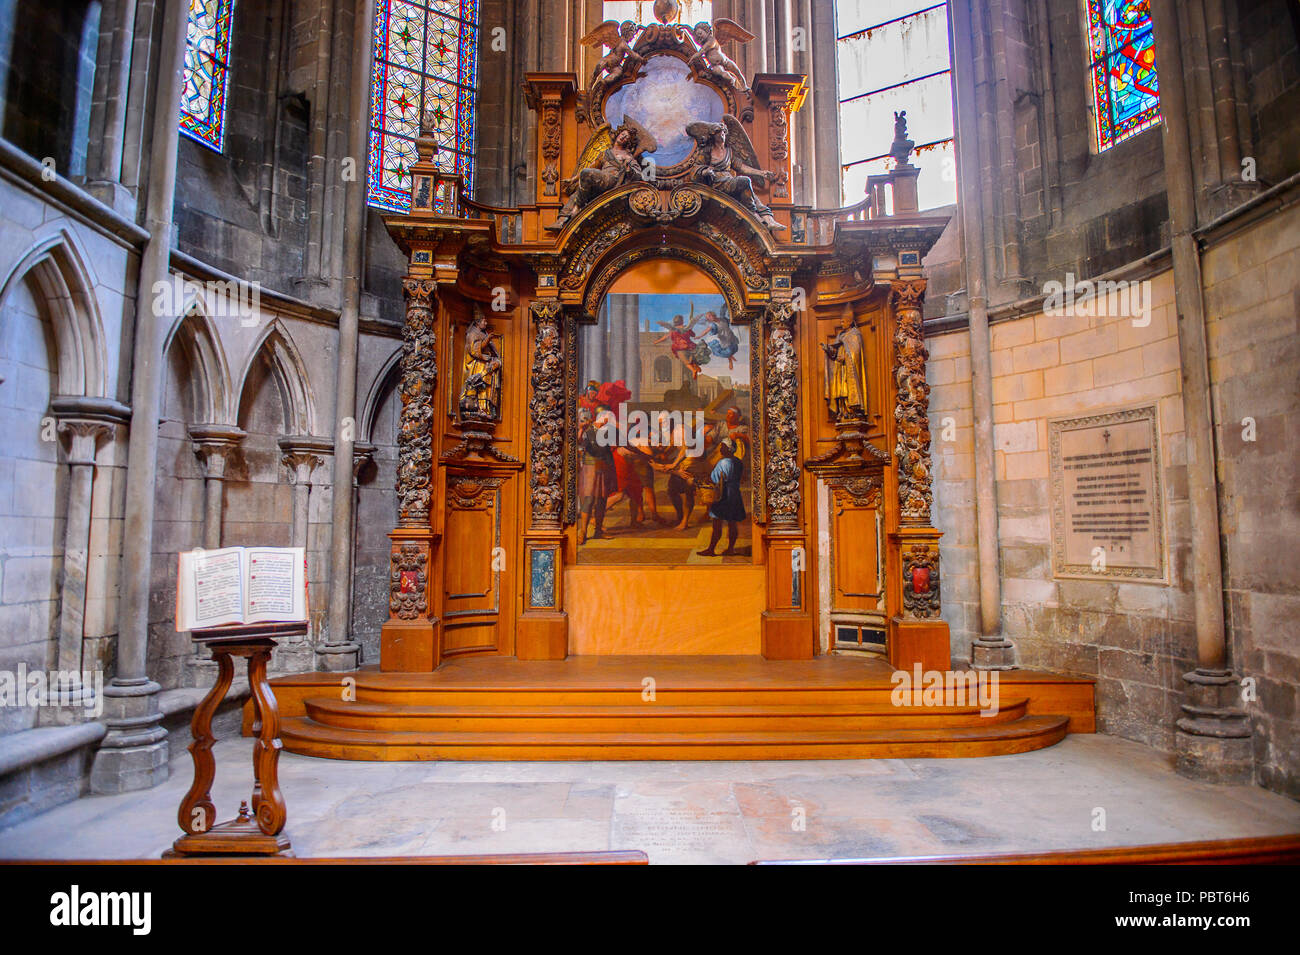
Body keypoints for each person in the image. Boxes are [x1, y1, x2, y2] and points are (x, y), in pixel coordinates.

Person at [699, 439, 745, 557]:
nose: (720, 449)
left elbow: (714, 479)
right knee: (732, 523)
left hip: (722, 494)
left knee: (717, 523)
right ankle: (730, 549)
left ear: (728, 449)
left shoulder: (723, 463)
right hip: (734, 494)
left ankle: (711, 549)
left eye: (722, 447)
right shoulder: (738, 462)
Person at [577, 409, 616, 544]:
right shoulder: (588, 431)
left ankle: (598, 531)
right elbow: (579, 442)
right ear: (603, 419)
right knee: (588, 500)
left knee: (601, 501)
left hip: (603, 469)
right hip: (590, 469)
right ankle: (583, 532)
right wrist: (581, 430)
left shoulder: (607, 432)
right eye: (609, 419)